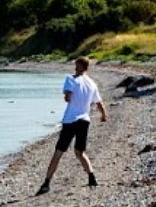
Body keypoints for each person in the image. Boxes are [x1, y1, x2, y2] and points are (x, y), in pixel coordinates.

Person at [37, 57, 109, 195]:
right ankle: (91, 177)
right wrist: (103, 115)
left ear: (81, 67)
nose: (74, 70)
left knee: (58, 153)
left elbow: (67, 98)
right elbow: (99, 102)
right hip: (85, 120)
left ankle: (46, 183)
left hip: (70, 120)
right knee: (79, 152)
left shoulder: (70, 79)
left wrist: (68, 93)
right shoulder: (92, 83)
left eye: (76, 67)